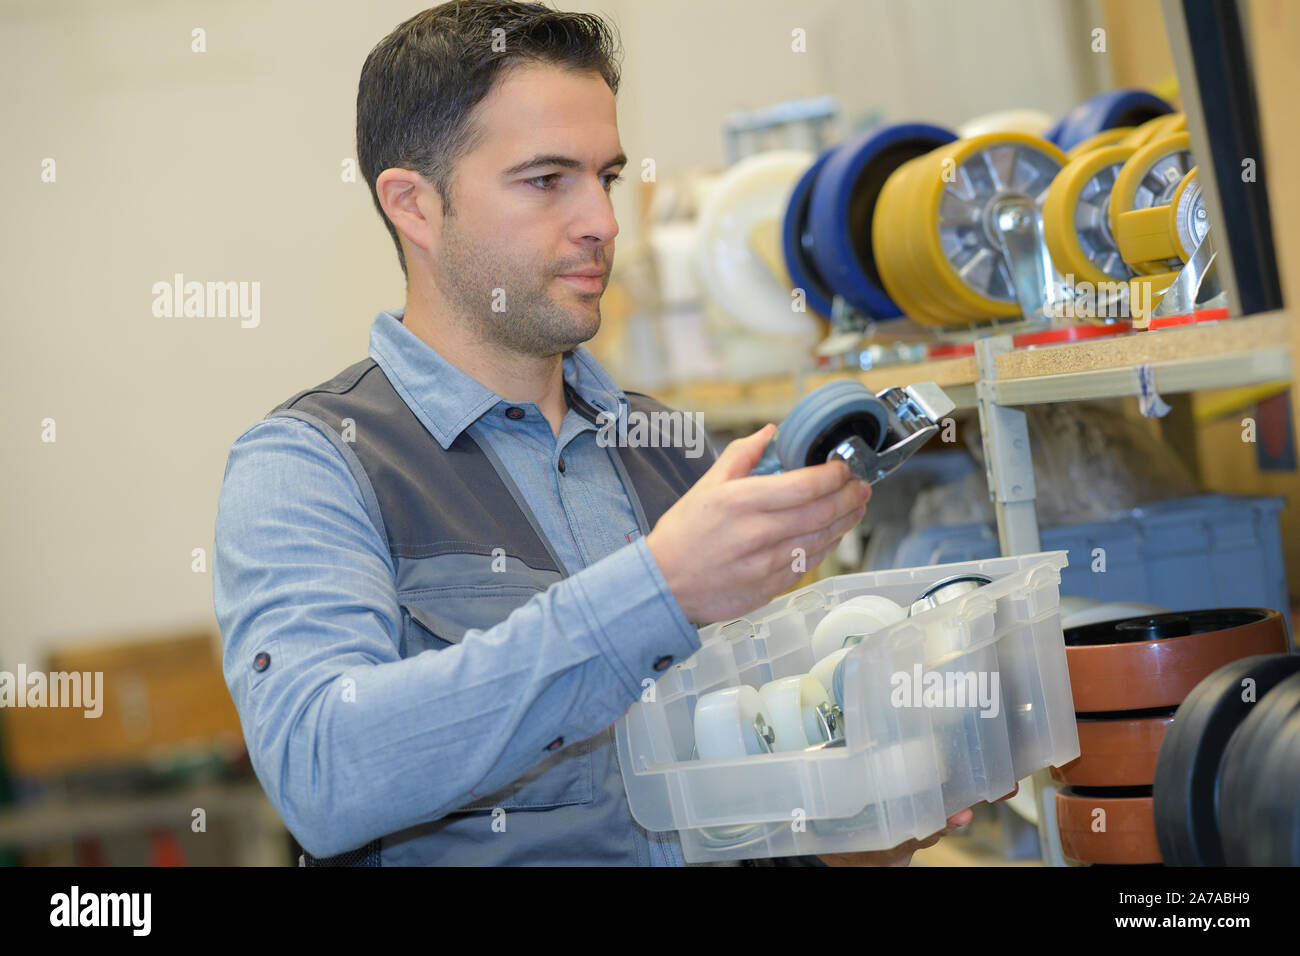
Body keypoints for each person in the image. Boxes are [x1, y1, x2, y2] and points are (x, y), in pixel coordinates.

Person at [212, 0, 973, 866]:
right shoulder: (312, 467)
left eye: (605, 178)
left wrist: (861, 826)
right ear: (414, 206)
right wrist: (661, 590)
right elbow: (321, 769)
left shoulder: (675, 451)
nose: (604, 222)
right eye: (547, 180)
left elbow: (758, 784)